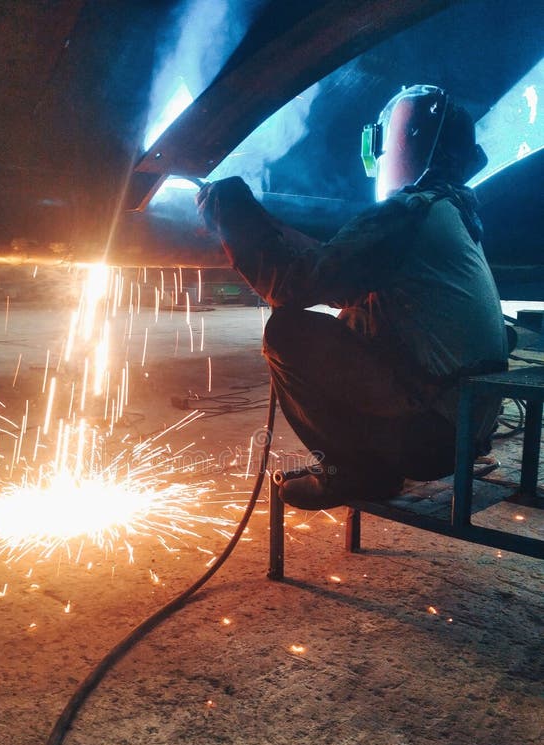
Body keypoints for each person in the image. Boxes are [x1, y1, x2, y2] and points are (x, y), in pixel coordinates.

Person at [196, 84, 508, 509]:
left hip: (426, 437)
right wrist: (269, 224)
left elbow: (291, 287)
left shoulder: (406, 213)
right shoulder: (448, 211)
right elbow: (336, 274)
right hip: (462, 431)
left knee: (289, 333)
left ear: (402, 142)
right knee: (352, 318)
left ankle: (355, 473)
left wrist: (231, 216)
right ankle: (370, 468)